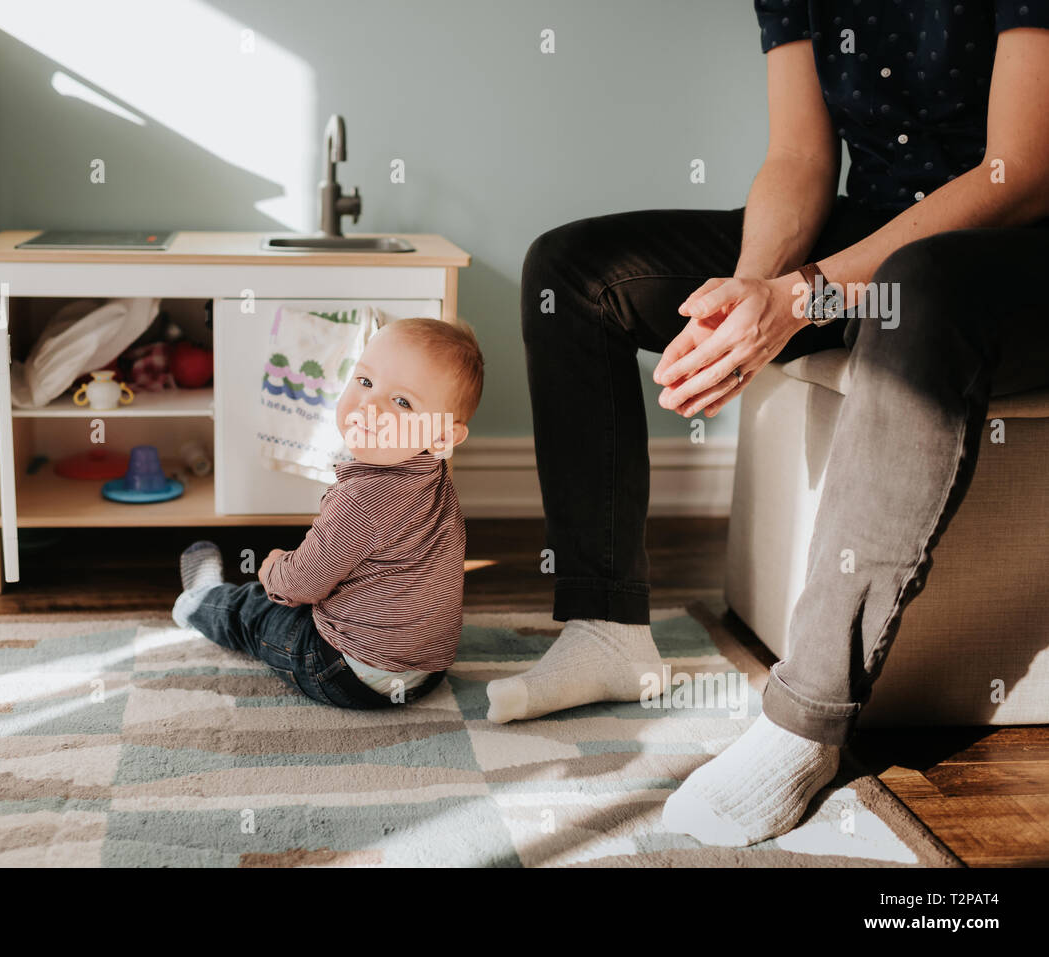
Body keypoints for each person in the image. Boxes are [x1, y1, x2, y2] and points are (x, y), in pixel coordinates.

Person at [494, 0, 1049, 846]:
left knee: (919, 284)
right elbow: (798, 155)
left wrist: (804, 295)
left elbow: (1022, 171)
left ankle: (807, 719)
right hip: (879, 234)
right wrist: (750, 291)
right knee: (574, 274)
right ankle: (606, 626)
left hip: (1016, 246)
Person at [172, 317, 484, 709]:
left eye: (402, 402)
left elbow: (300, 586)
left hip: (347, 673)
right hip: (426, 672)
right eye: (366, 382)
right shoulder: (433, 476)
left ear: (442, 436)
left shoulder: (362, 500)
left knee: (257, 609)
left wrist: (274, 569)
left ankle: (199, 601)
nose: (369, 406)